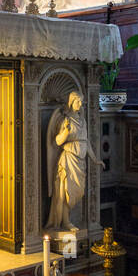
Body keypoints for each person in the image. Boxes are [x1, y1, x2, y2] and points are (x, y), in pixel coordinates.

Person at [45, 90, 100, 231]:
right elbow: (57, 141)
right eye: (77, 101)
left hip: (80, 161)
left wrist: (95, 159)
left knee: (77, 192)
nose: (80, 104)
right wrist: (65, 133)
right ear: (71, 102)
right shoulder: (65, 120)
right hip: (68, 160)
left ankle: (68, 220)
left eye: (81, 101)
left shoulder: (82, 120)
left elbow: (86, 142)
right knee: (65, 192)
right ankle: (66, 222)